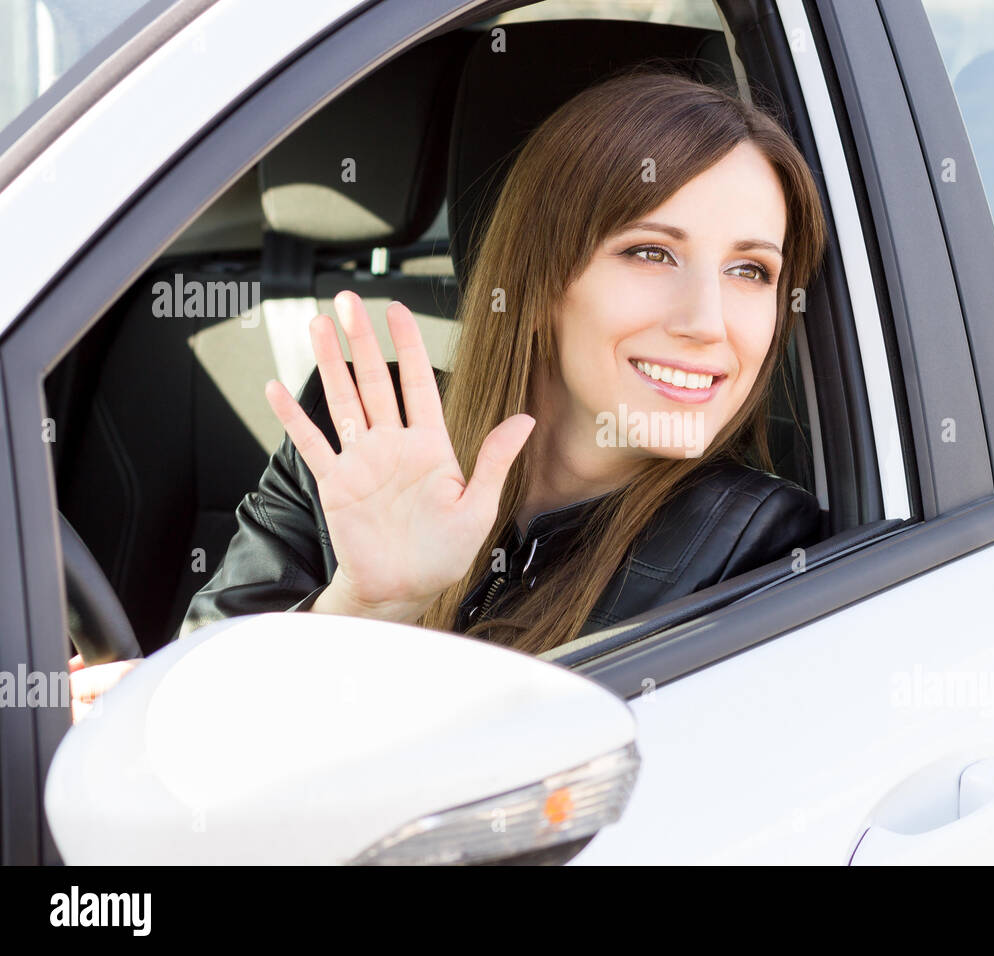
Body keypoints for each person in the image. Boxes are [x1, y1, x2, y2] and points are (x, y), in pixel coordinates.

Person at [69, 65, 829, 715]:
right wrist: (366, 607)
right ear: (542, 278)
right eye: (652, 253)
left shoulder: (762, 548)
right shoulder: (360, 427)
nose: (708, 321)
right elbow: (198, 726)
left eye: (750, 271)